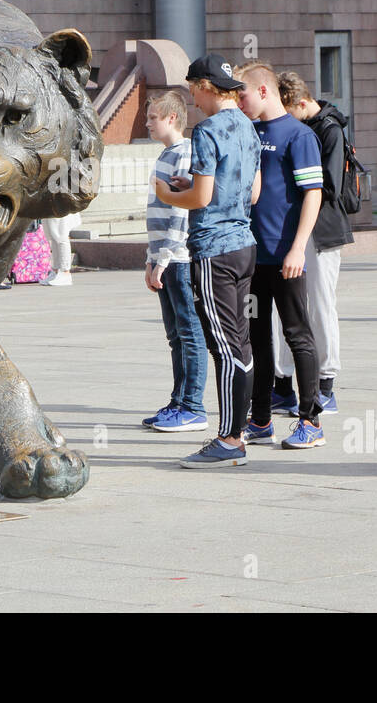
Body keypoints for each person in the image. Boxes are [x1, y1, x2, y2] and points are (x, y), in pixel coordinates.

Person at [151, 54, 261, 469]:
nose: (192, 99)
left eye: (193, 89)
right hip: (244, 243)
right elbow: (251, 192)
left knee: (224, 346)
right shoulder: (248, 127)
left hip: (213, 248)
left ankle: (231, 439)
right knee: (240, 343)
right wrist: (193, 184)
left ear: (206, 87)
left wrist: (168, 194)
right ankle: (237, 431)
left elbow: (200, 199)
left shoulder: (208, 130)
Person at [236, 64, 326, 450]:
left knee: (296, 334)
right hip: (253, 257)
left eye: (242, 95)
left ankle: (311, 420)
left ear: (262, 90)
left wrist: (297, 247)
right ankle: (260, 420)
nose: (238, 102)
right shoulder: (249, 132)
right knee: (255, 336)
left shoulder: (299, 135)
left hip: (285, 256)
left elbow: (313, 194)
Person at [273, 71, 354, 417]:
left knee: (320, 306)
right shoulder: (301, 128)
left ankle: (326, 385)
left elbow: (329, 187)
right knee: (288, 310)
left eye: (287, 112)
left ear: (302, 103)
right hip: (295, 231)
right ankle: (283, 385)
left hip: (322, 232)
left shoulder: (329, 130)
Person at [142, 91, 208, 433]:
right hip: (165, 258)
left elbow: (180, 214)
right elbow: (158, 216)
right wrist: (150, 258)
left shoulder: (185, 153)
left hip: (179, 259)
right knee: (175, 335)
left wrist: (163, 259)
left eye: (154, 117)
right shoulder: (167, 155)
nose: (148, 123)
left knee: (189, 332)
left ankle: (193, 405)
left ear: (172, 118)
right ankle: (178, 400)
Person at [40, 213, 82, 287]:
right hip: (46, 204)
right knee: (51, 237)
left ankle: (65, 272)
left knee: (61, 235)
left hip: (58, 205)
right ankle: (56, 271)